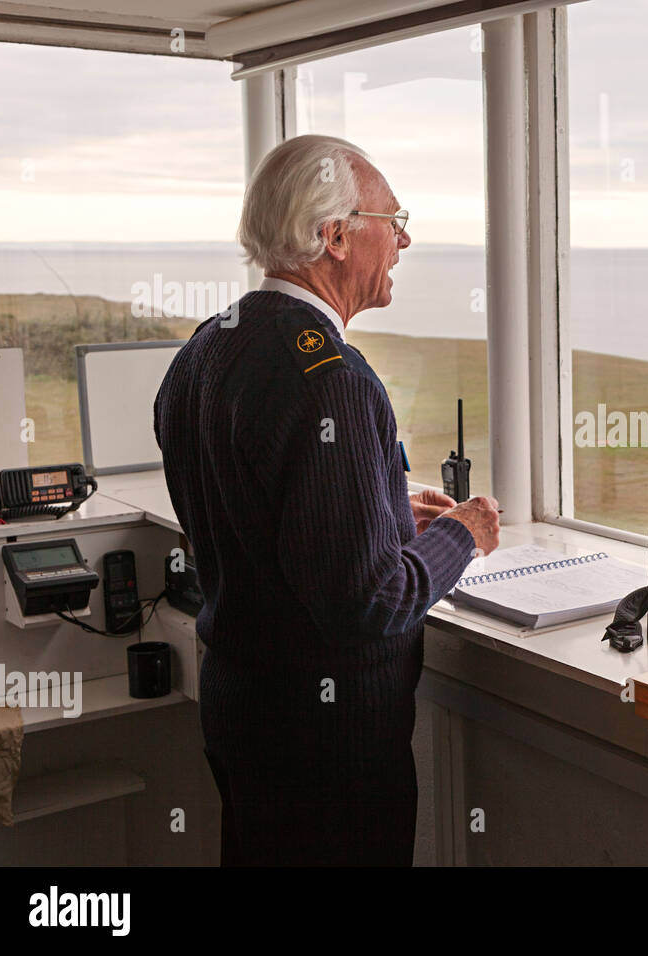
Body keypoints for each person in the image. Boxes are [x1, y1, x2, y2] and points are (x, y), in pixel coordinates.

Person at [153, 134, 500, 865]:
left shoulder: (205, 350)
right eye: (392, 219)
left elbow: (250, 504)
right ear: (336, 236)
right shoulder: (331, 378)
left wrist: (377, 506)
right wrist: (462, 534)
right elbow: (366, 602)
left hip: (239, 710)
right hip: (326, 744)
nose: (403, 239)